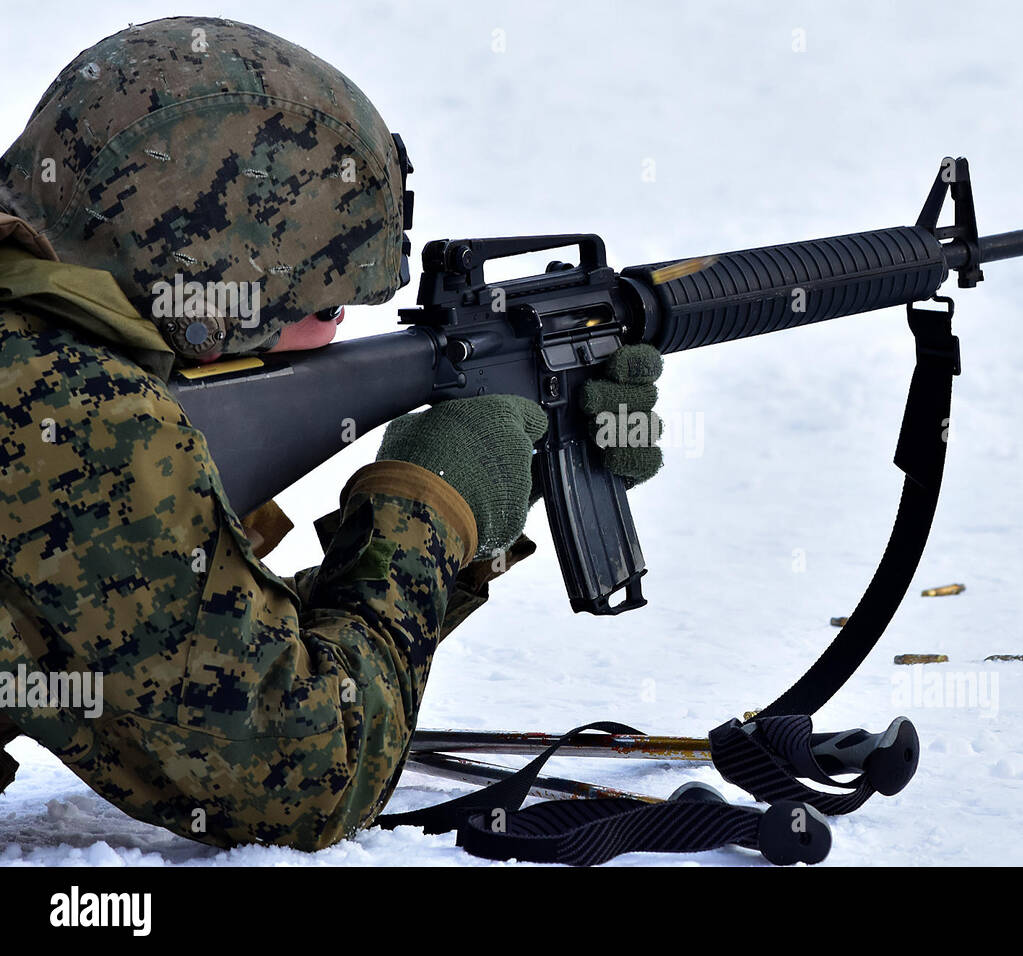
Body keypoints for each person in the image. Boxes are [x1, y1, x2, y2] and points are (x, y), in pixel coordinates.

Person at [0, 16, 661, 849]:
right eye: (327, 307)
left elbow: (189, 669)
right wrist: (428, 506)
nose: (339, 337)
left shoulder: (33, 365)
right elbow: (305, 777)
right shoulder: (83, 420)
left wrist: (475, 511)